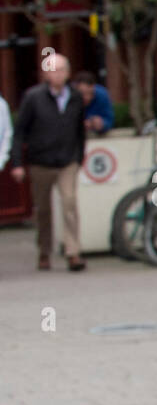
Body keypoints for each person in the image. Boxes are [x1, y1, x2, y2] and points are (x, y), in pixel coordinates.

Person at [11, 52, 87, 271]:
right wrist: (17, 163)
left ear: (68, 73)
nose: (58, 74)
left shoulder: (75, 96)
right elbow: (20, 131)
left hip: (67, 160)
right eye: (53, 70)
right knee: (43, 210)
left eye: (62, 70)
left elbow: (79, 129)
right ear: (46, 73)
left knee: (69, 203)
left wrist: (79, 157)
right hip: (40, 161)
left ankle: (73, 252)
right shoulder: (33, 97)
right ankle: (44, 252)